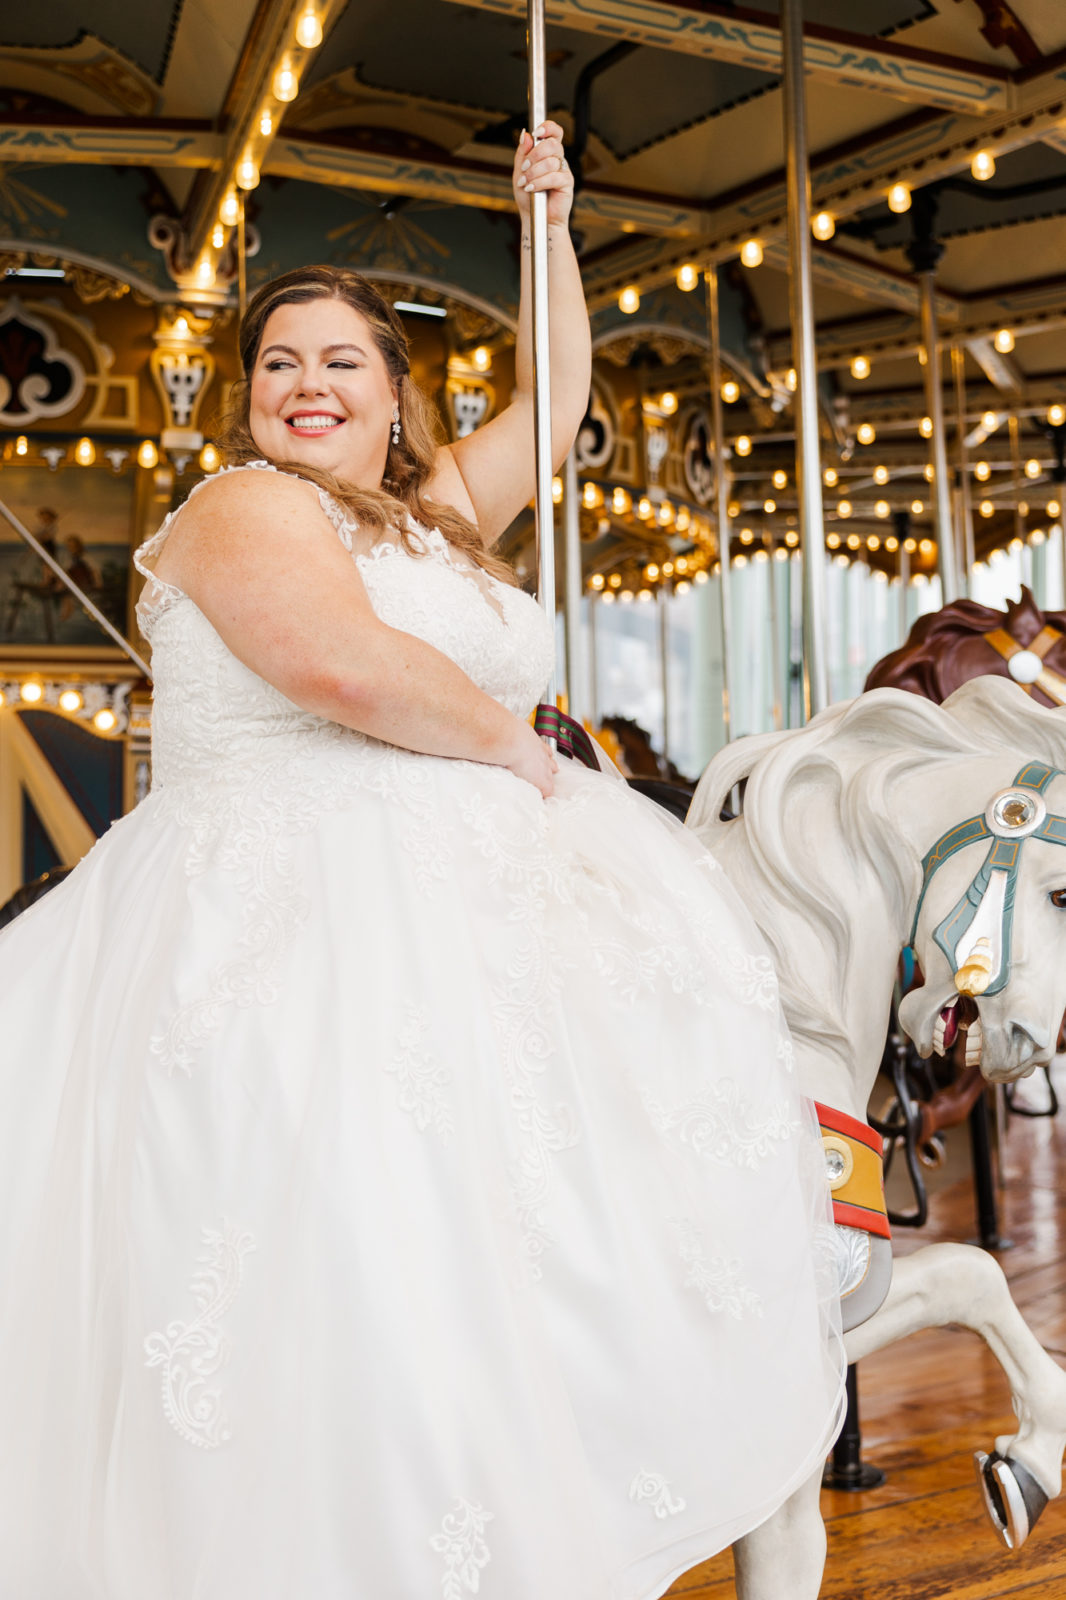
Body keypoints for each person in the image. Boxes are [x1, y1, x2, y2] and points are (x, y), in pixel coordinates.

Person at [0, 125, 843, 1599]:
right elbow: (340, 669)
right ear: (251, 397)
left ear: (396, 398)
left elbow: (557, 397)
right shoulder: (237, 508)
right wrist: (524, 757)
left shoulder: (430, 524)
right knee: (335, 1255)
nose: (305, 385)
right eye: (279, 363)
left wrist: (550, 228)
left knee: (504, 1263)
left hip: (457, 931)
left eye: (340, 361)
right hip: (289, 921)